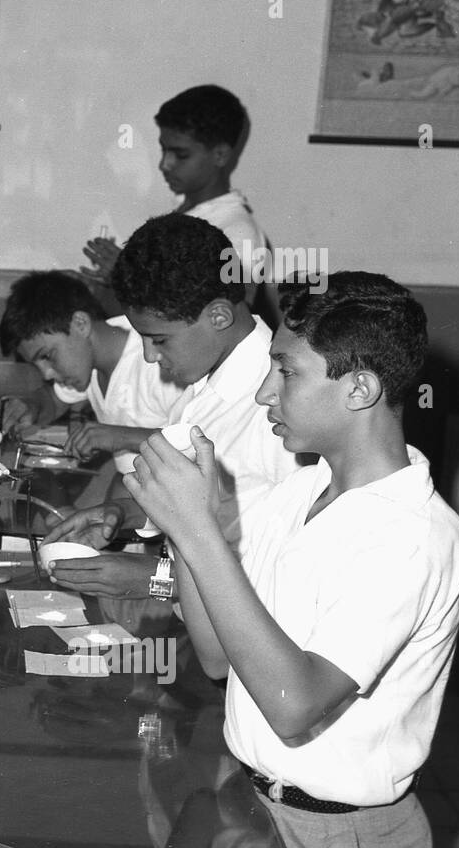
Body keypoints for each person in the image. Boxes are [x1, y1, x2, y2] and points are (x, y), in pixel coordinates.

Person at [124, 272, 459, 848]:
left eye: (287, 371)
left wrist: (193, 528)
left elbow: (294, 703)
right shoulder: (295, 496)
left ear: (361, 388)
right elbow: (220, 658)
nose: (263, 394)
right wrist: (201, 531)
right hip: (256, 810)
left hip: (342, 846)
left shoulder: (414, 536)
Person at [47, 215, 299, 600]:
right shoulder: (204, 383)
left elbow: (288, 566)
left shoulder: (280, 407)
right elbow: (218, 509)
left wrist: (157, 579)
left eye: (159, 340)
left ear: (218, 315)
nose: (149, 356)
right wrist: (122, 512)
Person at [83, 85, 271, 313]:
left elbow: (215, 324)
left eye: (181, 155)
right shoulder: (182, 213)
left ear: (220, 155)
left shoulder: (237, 234)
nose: (165, 164)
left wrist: (124, 276)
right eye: (163, 150)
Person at [0, 270, 184, 454]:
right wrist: (30, 406)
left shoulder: (159, 362)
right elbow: (53, 401)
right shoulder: (89, 363)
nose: (47, 373)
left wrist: (121, 437)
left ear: (80, 324)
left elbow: (202, 438)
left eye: (47, 356)